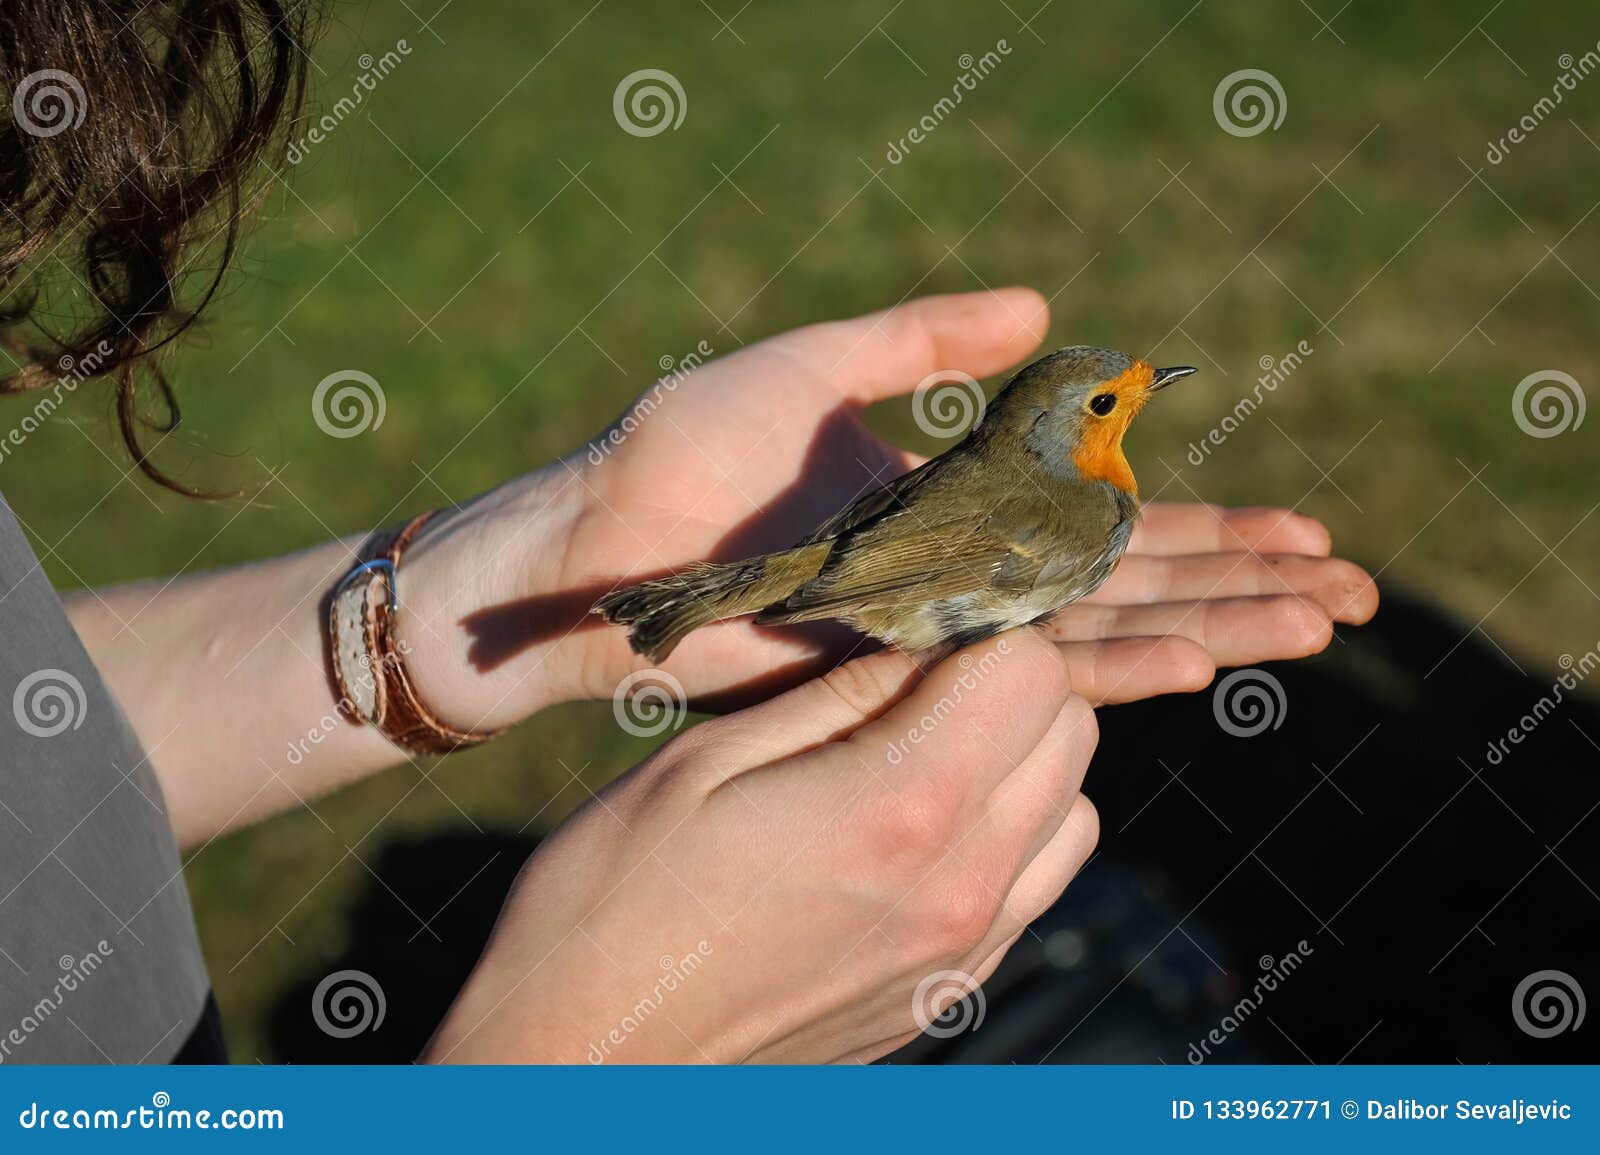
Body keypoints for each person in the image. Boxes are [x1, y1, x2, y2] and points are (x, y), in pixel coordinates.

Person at [0, 3, 1377, 1063]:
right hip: (897, 573)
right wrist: (597, 1058)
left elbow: (31, 740)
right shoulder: (1085, 509)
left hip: (878, 557)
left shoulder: (1081, 491)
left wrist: (543, 552)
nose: (1137, 400)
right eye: (1113, 399)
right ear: (1070, 429)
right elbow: (925, 553)